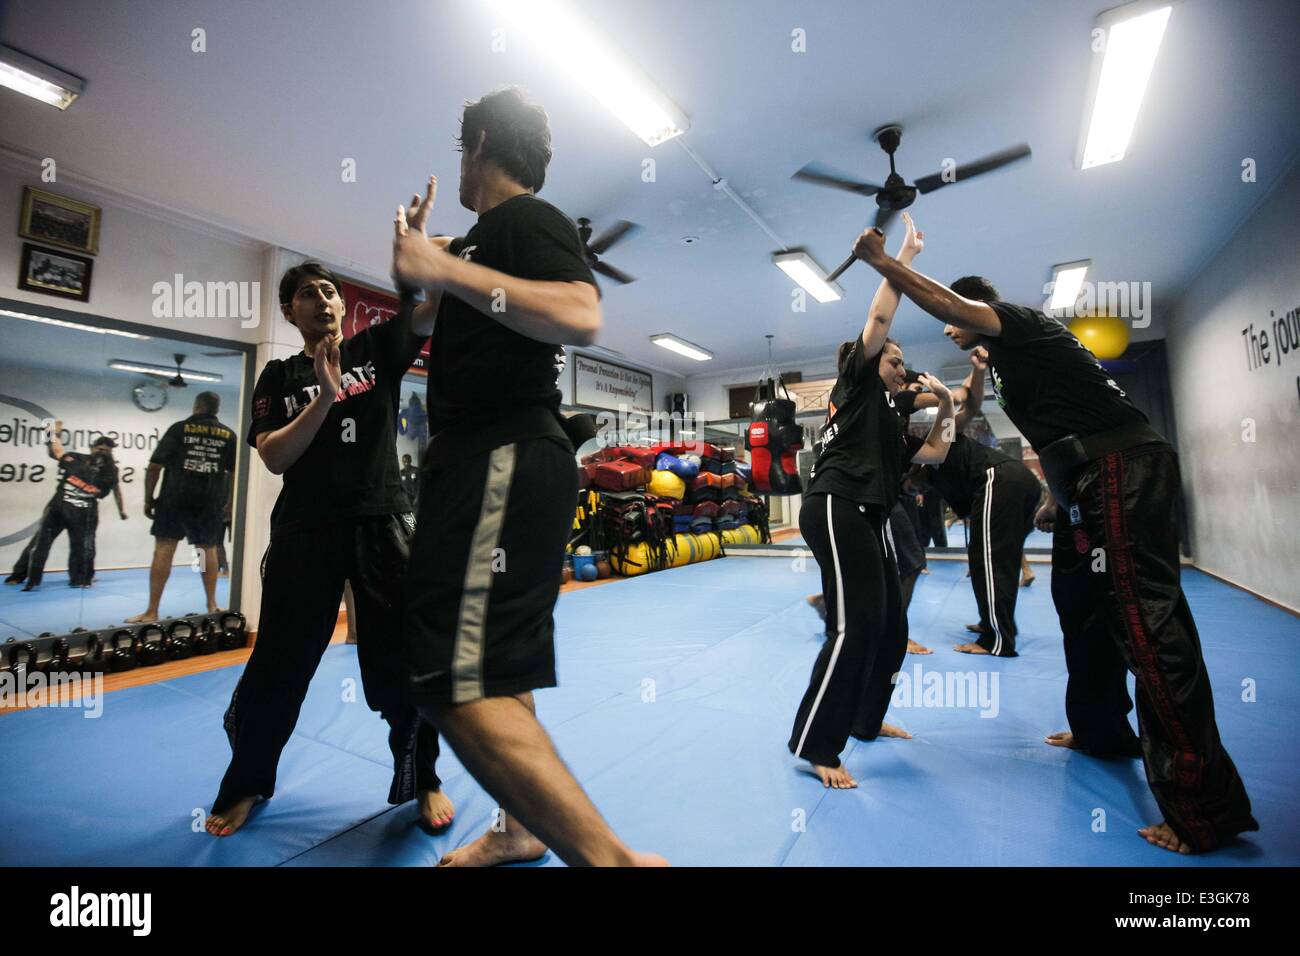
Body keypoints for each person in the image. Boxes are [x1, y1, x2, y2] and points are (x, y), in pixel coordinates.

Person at [853, 234, 1258, 854]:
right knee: (1081, 607)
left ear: (978, 311)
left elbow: (955, 313)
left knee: (1147, 624)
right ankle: (1099, 730)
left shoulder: (1018, 322)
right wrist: (1054, 496)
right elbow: (1055, 426)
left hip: (1124, 469)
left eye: (962, 323)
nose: (954, 334)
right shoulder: (1016, 368)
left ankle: (1205, 809)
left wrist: (887, 264)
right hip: (1082, 485)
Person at [390, 87, 664, 866]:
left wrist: (441, 261)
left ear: (477, 144)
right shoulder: (476, 246)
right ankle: (520, 830)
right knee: (495, 668)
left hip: (503, 457)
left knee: (450, 678)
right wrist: (419, 268)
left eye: (461, 151)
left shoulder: (524, 219)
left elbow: (581, 314)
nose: (460, 167)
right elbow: (423, 323)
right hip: (482, 463)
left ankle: (613, 861)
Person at [204, 262, 450, 838]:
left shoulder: (376, 349)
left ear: (343, 307)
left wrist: (422, 263)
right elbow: (275, 457)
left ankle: (425, 777)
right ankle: (247, 782)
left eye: (330, 291)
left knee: (406, 664)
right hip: (306, 529)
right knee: (278, 668)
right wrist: (325, 397)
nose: (323, 300)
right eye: (307, 294)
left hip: (382, 524)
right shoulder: (279, 375)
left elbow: (435, 308)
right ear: (289, 312)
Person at [788, 213, 955, 789]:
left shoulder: (889, 414)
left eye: (902, 362)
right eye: (893, 358)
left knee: (890, 625)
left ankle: (866, 720)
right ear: (866, 363)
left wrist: (950, 407)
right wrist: (898, 260)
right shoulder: (855, 386)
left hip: (872, 514)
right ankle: (817, 742)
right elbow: (880, 315)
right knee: (853, 625)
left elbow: (933, 453)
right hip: (835, 506)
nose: (900, 365)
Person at [913, 348, 1041, 657]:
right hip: (1013, 483)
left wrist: (979, 370)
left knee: (990, 562)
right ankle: (991, 624)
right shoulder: (928, 471)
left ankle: (997, 641)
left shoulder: (937, 439)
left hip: (1001, 479)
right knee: (994, 560)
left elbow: (970, 404)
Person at [127, 392, 236, 622]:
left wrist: (149, 498)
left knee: (165, 547)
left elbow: (154, 466)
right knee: (206, 549)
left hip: (175, 498)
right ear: (216, 410)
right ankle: (212, 604)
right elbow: (235, 471)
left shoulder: (179, 429)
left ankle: (152, 610)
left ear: (196, 406)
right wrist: (230, 503)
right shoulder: (228, 434)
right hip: (208, 502)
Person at [6, 423, 124, 590]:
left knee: (82, 548)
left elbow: (116, 489)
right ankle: (19, 575)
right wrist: (51, 432)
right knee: (38, 545)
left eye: (106, 450)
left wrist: (121, 510)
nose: (101, 452)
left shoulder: (111, 470)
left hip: (84, 514)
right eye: (99, 449)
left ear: (111, 452)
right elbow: (56, 451)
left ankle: (80, 579)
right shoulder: (76, 459)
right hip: (58, 509)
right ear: (92, 448)